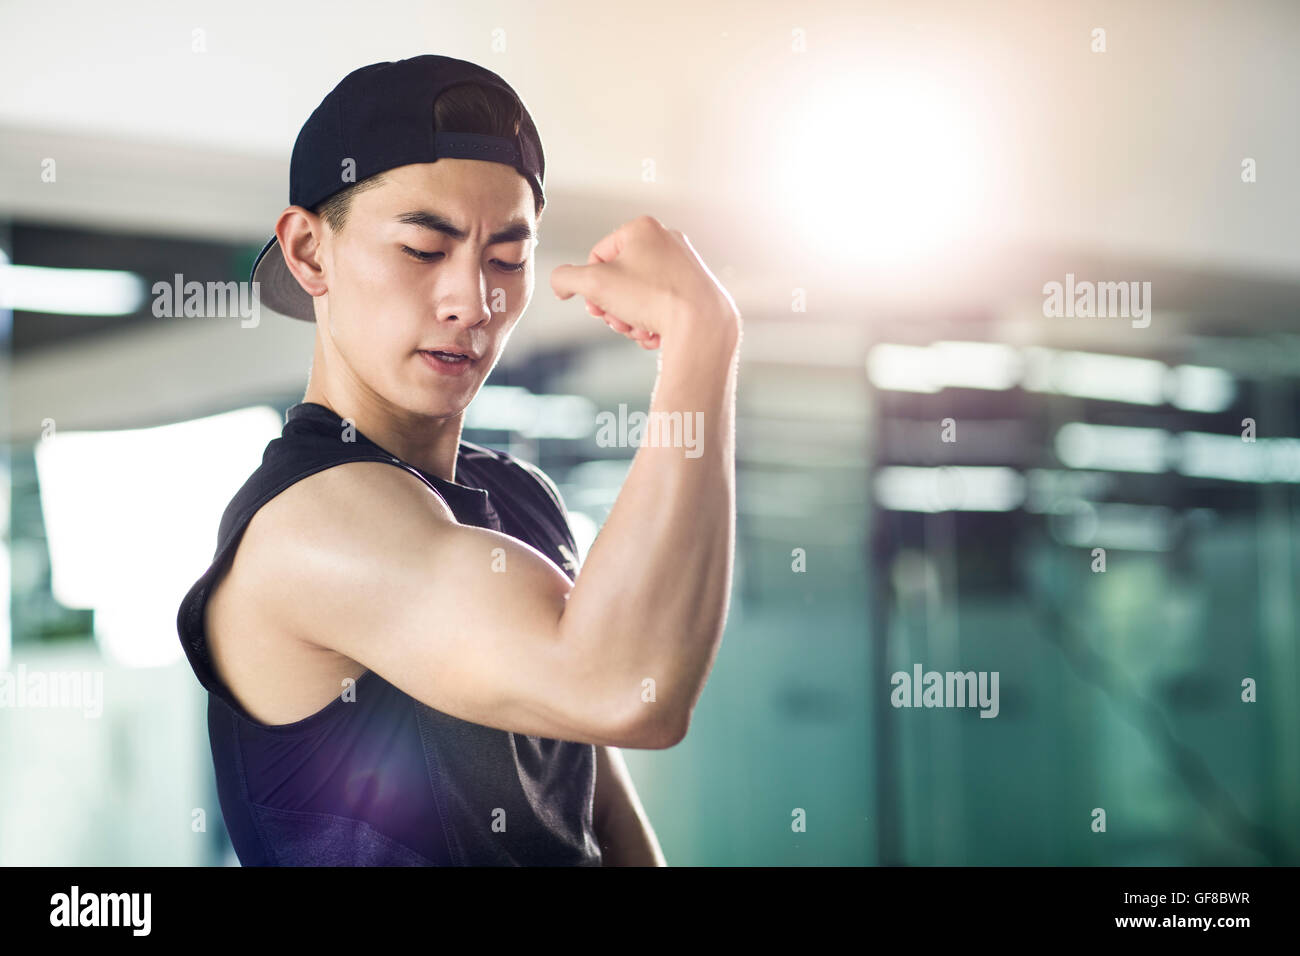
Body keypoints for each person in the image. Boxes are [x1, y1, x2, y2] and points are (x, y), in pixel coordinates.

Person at [176, 54, 740, 866]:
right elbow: (628, 691)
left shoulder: (521, 501)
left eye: (507, 258)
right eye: (421, 249)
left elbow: (600, 820)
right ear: (308, 252)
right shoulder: (312, 525)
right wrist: (701, 338)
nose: (472, 303)